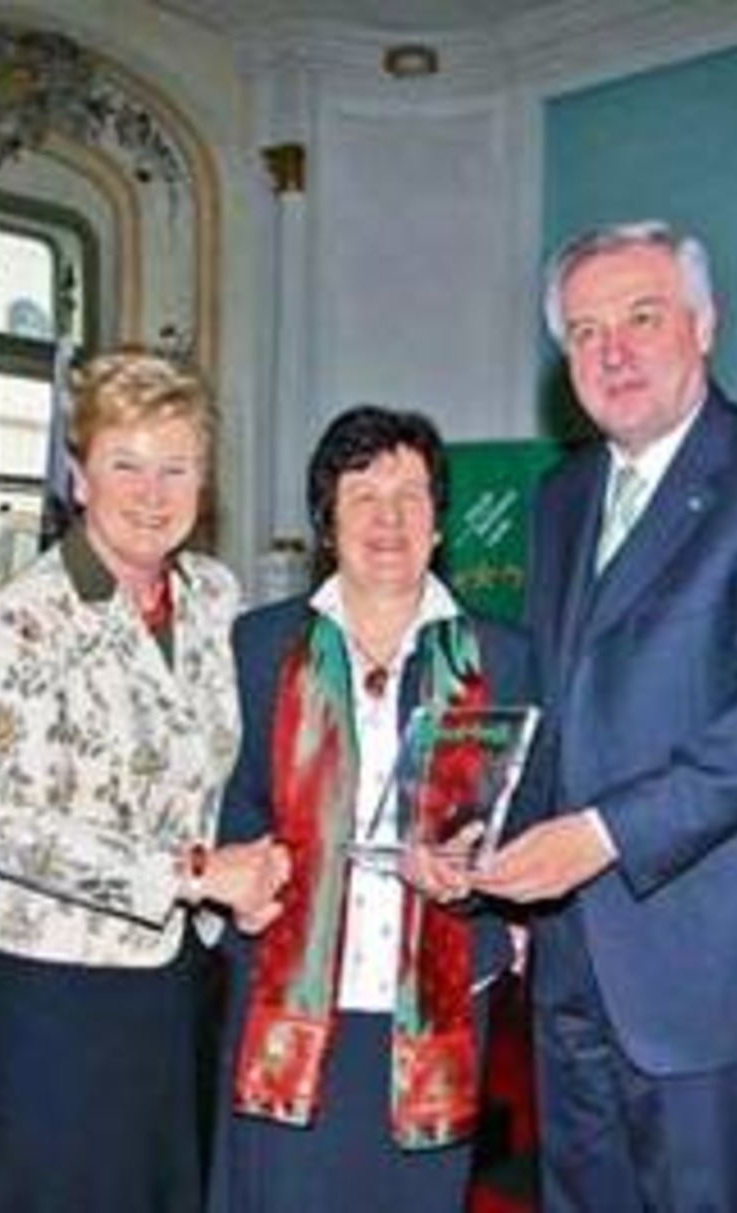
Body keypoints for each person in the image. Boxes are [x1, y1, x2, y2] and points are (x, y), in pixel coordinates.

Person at [474, 220, 737, 1212]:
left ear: (703, 324)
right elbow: (560, 704)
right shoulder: (562, 494)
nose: (611, 351)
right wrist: (510, 865)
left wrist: (598, 835)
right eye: (585, 331)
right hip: (569, 946)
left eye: (641, 317)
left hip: (708, 952)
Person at [0, 351, 290, 1212]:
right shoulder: (16, 615)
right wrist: (192, 872)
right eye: (124, 464)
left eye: (175, 466)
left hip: (183, 975)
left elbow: (242, 766)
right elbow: (11, 822)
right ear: (78, 476)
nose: (151, 491)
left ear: (203, 480)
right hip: (55, 988)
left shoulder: (217, 595)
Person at [211, 406, 533, 1213]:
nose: (388, 519)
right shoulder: (260, 647)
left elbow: (533, 813)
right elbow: (226, 803)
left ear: (438, 525)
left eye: (412, 496)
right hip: (292, 989)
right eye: (363, 495)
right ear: (328, 523)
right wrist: (252, 869)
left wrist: (482, 870)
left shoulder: (500, 653)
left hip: (440, 996)